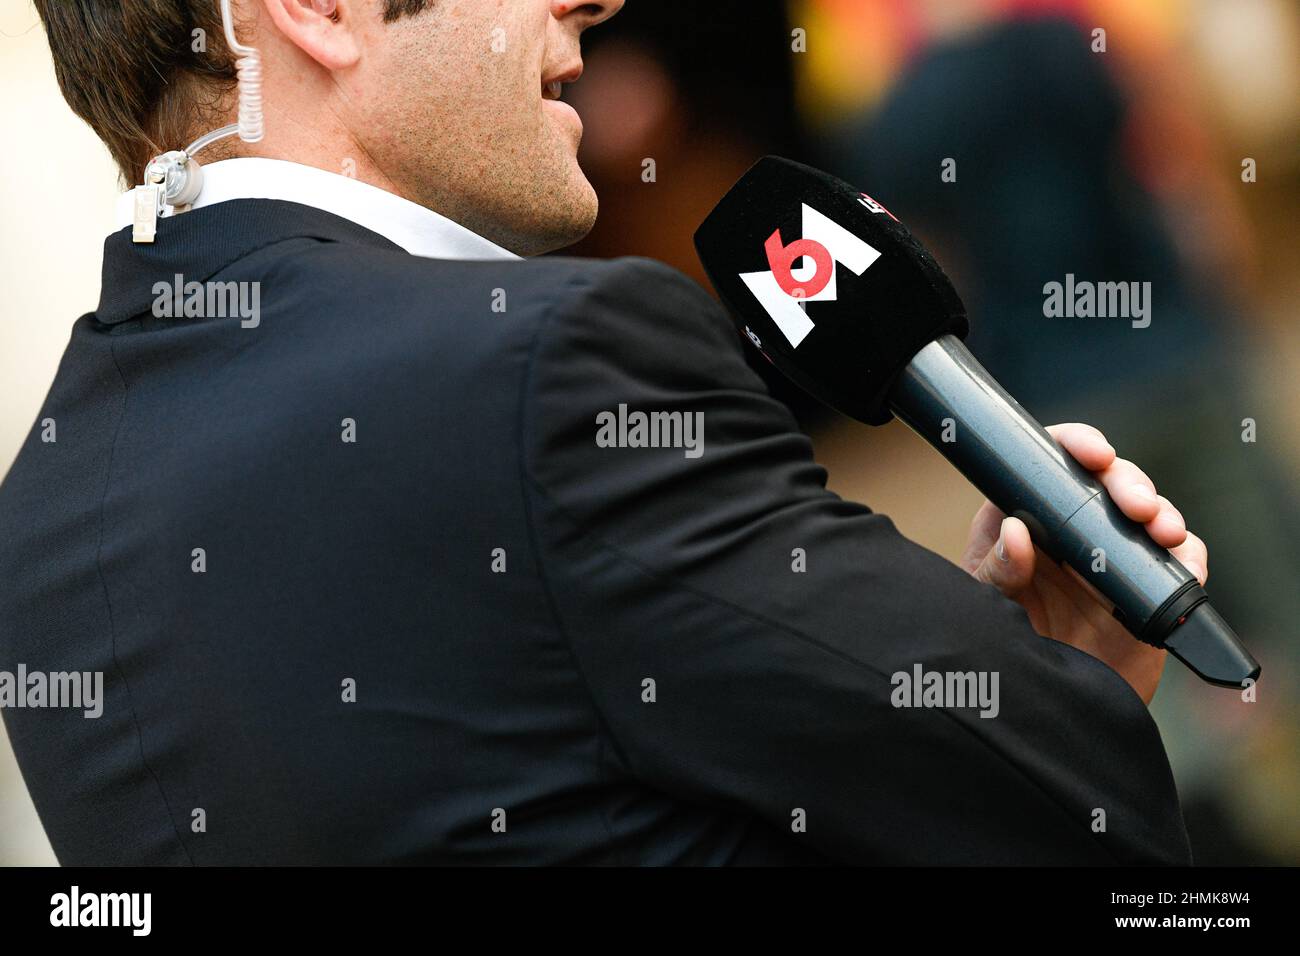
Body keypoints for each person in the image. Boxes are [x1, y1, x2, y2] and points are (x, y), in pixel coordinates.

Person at [0, 0, 1205, 864]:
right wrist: (1068, 688)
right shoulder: (553, 361)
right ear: (318, 10)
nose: (599, 2)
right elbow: (1066, 802)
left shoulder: (42, 520)